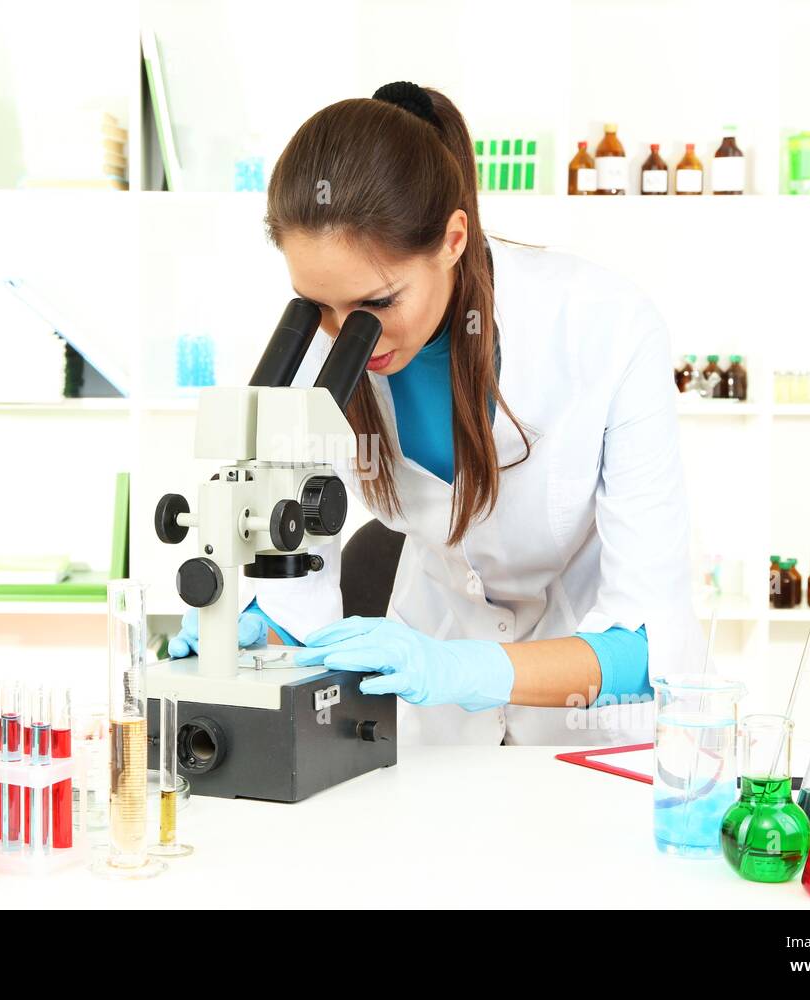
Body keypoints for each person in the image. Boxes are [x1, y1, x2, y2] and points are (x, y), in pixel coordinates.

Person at [171, 82, 701, 745]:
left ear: (453, 238)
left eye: (378, 302)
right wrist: (248, 629)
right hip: (434, 719)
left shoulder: (606, 328)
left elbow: (653, 646)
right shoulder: (317, 362)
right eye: (317, 305)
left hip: (591, 720)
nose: (344, 334)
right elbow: (297, 604)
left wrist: (462, 667)